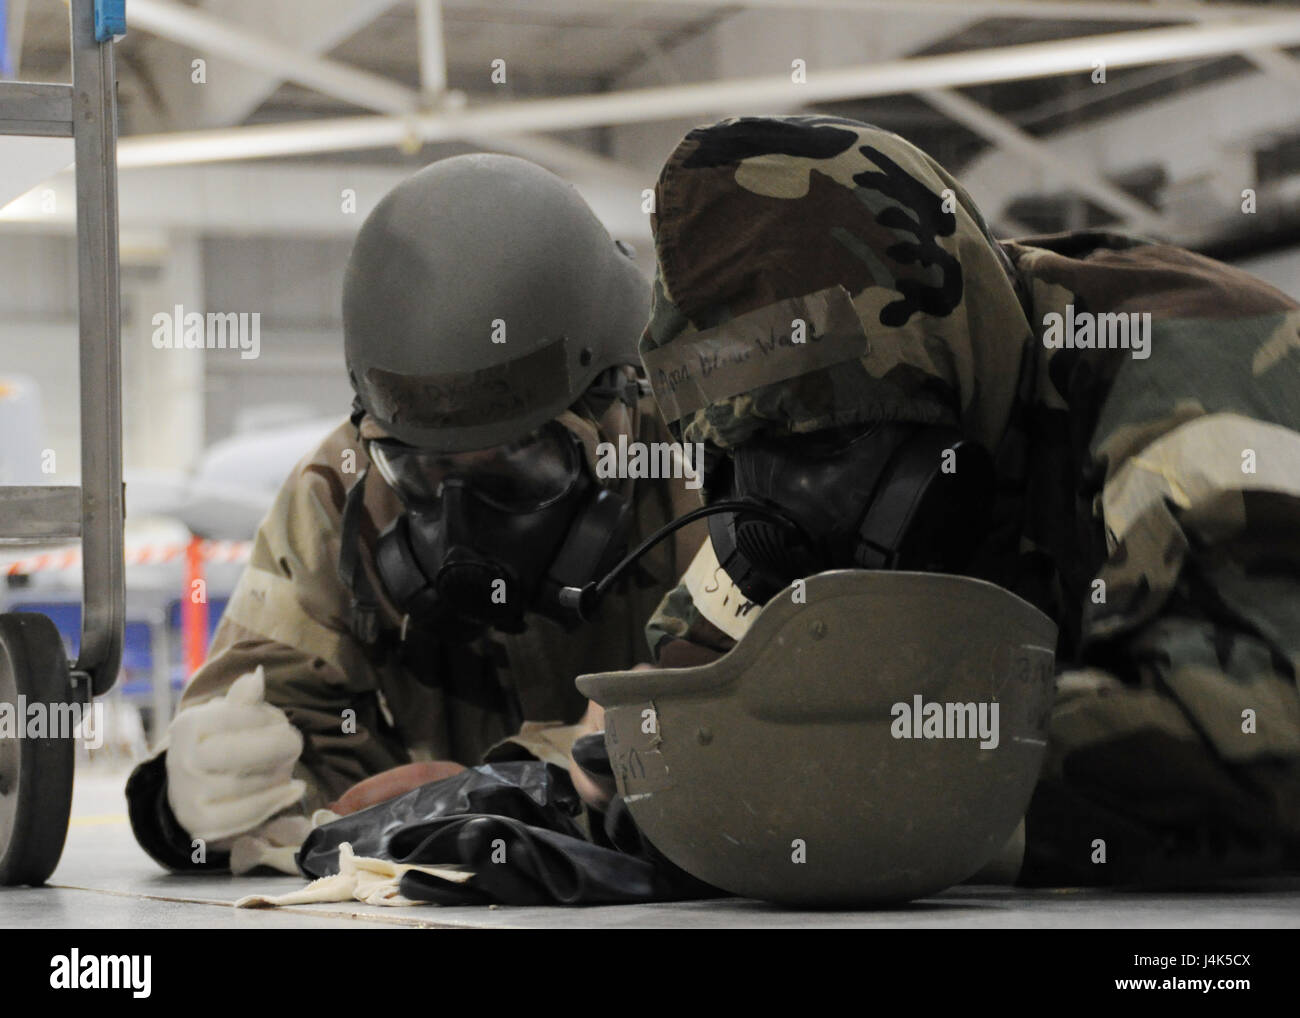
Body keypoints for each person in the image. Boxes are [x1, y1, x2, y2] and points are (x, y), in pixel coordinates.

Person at [628, 114, 1300, 887]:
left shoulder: (1195, 380)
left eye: (820, 443)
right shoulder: (786, 491)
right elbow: (679, 695)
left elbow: (1251, 743)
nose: (775, 502)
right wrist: (557, 787)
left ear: (946, 377)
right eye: (734, 452)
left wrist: (822, 771)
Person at [127, 154, 704, 872]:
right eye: (425, 469)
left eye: (522, 460)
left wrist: (528, 786)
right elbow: (270, 724)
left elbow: (754, 730)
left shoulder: (702, 477)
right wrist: (187, 802)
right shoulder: (341, 490)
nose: (463, 522)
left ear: (612, 402)